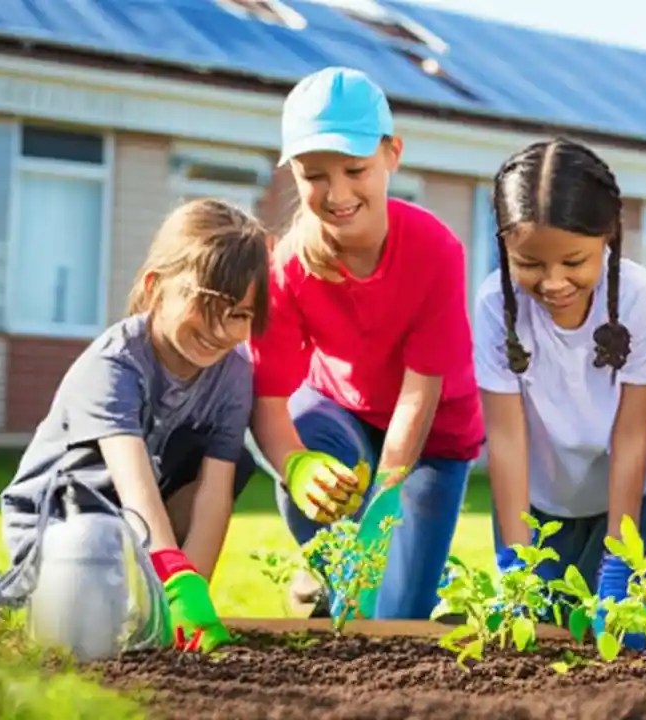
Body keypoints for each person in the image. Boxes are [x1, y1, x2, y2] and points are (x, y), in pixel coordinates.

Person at [242, 66, 483, 619]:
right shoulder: (289, 266)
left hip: (432, 439)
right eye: (314, 175)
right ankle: (331, 582)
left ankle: (423, 578)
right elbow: (270, 401)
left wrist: (383, 506)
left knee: (396, 618)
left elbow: (420, 397)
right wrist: (296, 466)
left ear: (392, 155)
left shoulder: (434, 251)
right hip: (341, 416)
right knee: (304, 441)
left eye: (356, 170)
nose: (337, 193)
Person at [0, 197, 270, 653]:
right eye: (207, 304)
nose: (221, 329)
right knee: (85, 636)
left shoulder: (234, 372)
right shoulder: (116, 363)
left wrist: (191, 595)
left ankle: (156, 603)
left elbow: (213, 493)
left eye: (240, 314)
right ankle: (34, 604)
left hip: (135, 523)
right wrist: (171, 570)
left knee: (233, 461)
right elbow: (133, 481)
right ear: (154, 287)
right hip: (66, 525)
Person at [472, 137, 646, 612]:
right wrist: (515, 558)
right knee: (541, 633)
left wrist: (620, 560)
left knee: (628, 633)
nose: (554, 282)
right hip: (538, 507)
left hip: (630, 501)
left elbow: (630, 437)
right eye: (529, 263)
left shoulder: (640, 299)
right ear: (505, 244)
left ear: (607, 235)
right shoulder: (494, 305)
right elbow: (505, 439)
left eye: (573, 262)